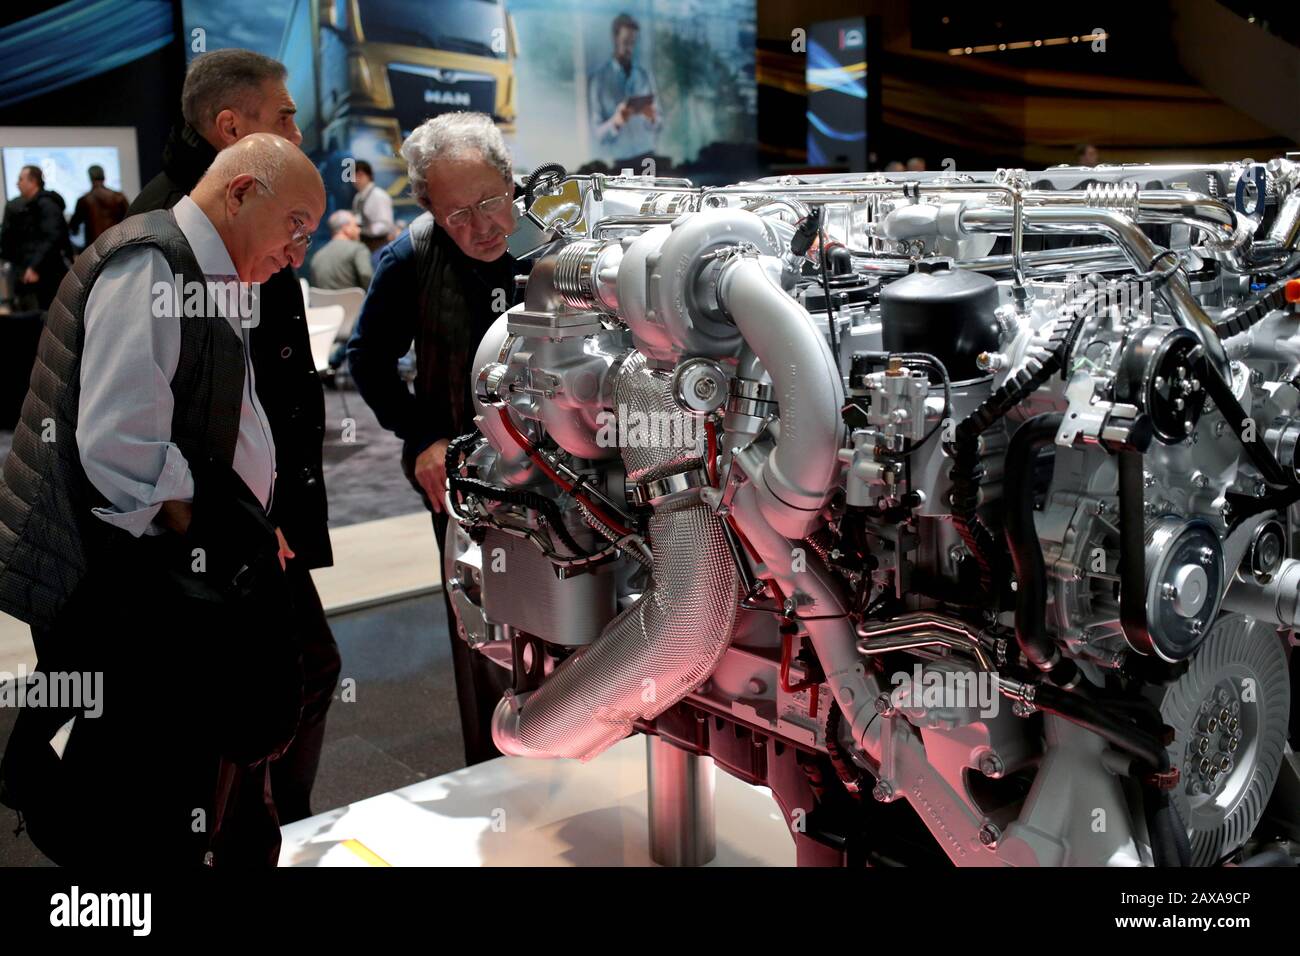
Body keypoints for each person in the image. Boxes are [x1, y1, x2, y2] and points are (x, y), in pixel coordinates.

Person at [0, 134, 326, 866]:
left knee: (192, 785)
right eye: (296, 225)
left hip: (164, 574)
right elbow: (122, 450)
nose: (299, 251)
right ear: (242, 192)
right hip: (131, 582)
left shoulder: (205, 268)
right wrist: (230, 530)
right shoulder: (154, 262)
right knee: (145, 805)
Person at [128, 47, 339, 827]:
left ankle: (257, 830)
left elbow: (252, 384)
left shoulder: (217, 221)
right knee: (271, 689)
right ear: (231, 129)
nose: (297, 126)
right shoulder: (159, 245)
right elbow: (128, 439)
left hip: (249, 516)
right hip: (221, 530)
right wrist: (233, 523)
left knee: (287, 683)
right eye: (283, 114)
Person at [347, 111, 522, 766]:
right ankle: (501, 781)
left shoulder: (558, 243)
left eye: (489, 201)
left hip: (578, 480)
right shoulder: (411, 256)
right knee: (485, 638)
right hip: (467, 479)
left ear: (510, 179)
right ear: (427, 206)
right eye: (456, 214)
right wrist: (421, 437)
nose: (481, 226)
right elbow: (368, 360)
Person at [588, 12, 660, 166]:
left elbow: (659, 122)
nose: (630, 48)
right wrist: (616, 121)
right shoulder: (599, 81)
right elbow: (598, 134)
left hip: (648, 156)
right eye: (625, 42)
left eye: (633, 43)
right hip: (620, 161)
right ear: (615, 39)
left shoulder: (644, 76)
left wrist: (652, 117)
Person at [0, 165, 72, 311]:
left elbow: (52, 238)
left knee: (45, 316)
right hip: (34, 271)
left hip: (45, 273)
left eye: (21, 179)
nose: (17, 183)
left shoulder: (46, 205)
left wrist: (34, 266)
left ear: (33, 182)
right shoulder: (31, 205)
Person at [310, 210, 373, 290]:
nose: (359, 230)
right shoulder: (358, 249)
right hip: (354, 301)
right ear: (346, 228)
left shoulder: (317, 256)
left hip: (323, 302)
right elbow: (366, 275)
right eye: (356, 226)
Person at [68, 165, 129, 248]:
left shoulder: (84, 200)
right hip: (116, 245)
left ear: (90, 178)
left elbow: (74, 226)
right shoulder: (118, 197)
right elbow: (129, 220)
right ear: (103, 177)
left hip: (94, 248)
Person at [351, 160, 394, 254]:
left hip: (379, 244)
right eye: (353, 175)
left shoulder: (379, 195)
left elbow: (385, 225)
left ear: (369, 176)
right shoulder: (358, 197)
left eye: (360, 175)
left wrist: (362, 230)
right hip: (363, 243)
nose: (356, 179)